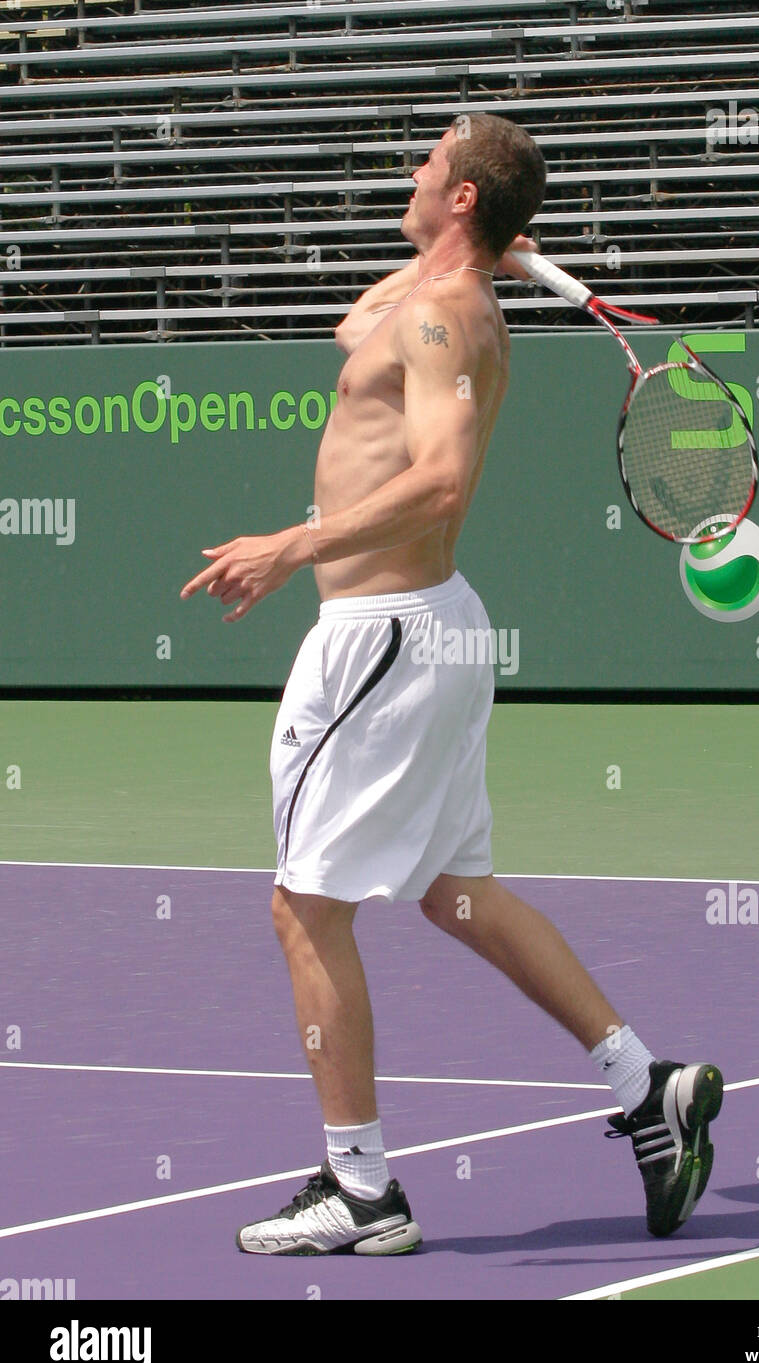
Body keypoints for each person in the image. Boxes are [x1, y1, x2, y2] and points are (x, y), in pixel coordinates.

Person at [180, 113, 722, 1256]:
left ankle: (362, 1189)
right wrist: (478, 246)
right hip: (429, 633)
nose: (413, 172)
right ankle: (646, 1086)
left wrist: (291, 546)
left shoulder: (445, 315)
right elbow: (355, 324)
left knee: (302, 906)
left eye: (430, 164)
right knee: (455, 891)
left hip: (381, 638)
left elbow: (436, 480)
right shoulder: (435, 299)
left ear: (462, 195)